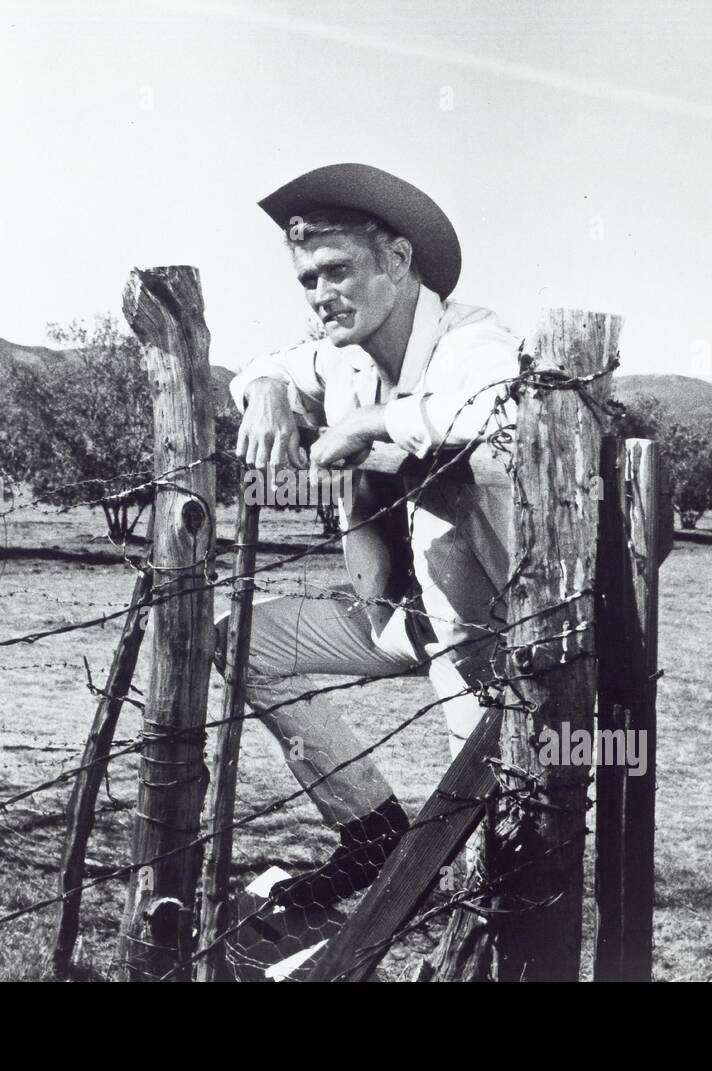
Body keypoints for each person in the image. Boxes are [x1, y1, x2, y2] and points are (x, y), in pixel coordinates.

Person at [223, 163, 526, 909]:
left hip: (488, 634)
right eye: (307, 279)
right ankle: (370, 832)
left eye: (338, 271)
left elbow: (500, 429)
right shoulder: (344, 354)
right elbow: (274, 367)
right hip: (394, 615)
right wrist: (264, 389)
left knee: (492, 848)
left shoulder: (473, 339)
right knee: (241, 645)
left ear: (396, 261)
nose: (322, 295)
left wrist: (371, 424)